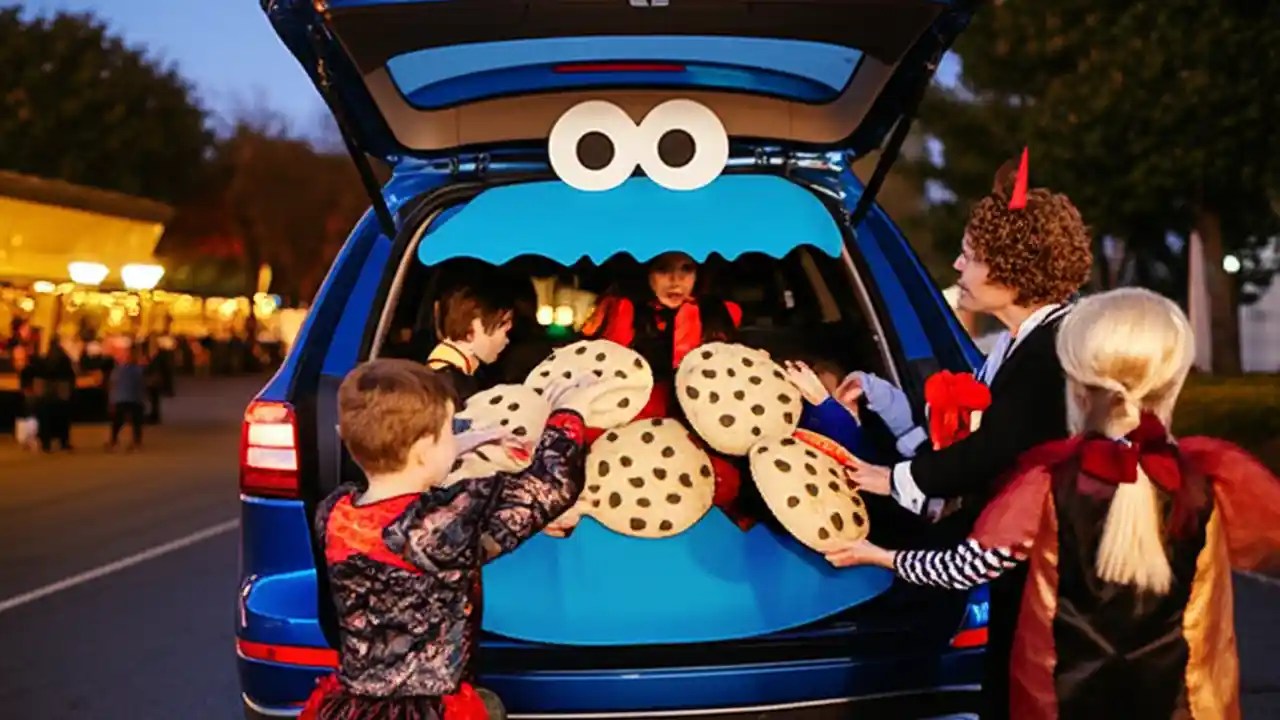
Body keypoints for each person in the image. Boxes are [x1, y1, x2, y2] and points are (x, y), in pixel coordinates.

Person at [825, 288, 1280, 720]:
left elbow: (963, 567)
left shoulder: (1046, 483)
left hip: (1061, 703)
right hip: (1184, 704)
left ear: (1078, 387)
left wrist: (881, 556)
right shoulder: (1207, 482)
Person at [830, 157, 1094, 720]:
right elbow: (955, 433)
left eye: (969, 257)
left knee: (1028, 691)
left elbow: (992, 453)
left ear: (1008, 271)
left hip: (1044, 570)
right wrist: (885, 398)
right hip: (1019, 562)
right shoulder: (1018, 344)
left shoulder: (1051, 353)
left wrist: (890, 480)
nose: (956, 265)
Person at [301, 359, 609, 720]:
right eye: (450, 430)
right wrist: (569, 413)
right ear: (422, 449)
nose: (454, 437)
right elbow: (551, 485)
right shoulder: (437, 523)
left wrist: (465, 442)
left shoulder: (335, 510)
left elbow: (402, 468)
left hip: (353, 706)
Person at [426, 279, 521, 404]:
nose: (506, 340)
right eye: (501, 327)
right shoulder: (448, 383)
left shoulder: (464, 374)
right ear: (473, 327)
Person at [34, 340, 77, 452]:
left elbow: (37, 375)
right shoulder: (64, 359)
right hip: (62, 392)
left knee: (45, 420)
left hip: (46, 394)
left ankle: (46, 444)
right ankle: (63, 442)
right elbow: (71, 375)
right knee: (63, 418)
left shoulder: (44, 360)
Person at [106, 345, 148, 451]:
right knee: (136, 421)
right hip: (133, 398)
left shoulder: (120, 370)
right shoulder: (139, 370)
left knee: (119, 421)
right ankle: (136, 442)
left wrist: (112, 399)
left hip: (122, 397)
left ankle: (114, 441)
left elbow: (112, 384)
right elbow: (142, 385)